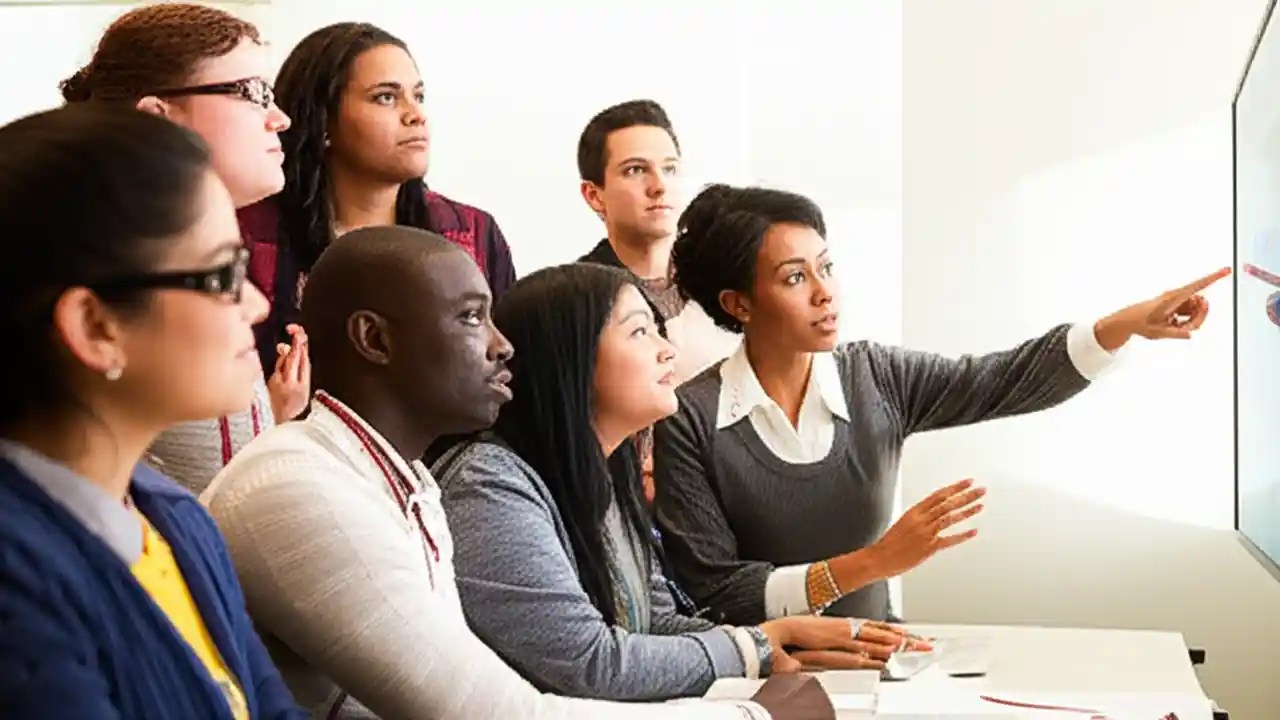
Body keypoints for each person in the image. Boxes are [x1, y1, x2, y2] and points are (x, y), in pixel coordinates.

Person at [201, 227, 834, 720]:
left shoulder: (403, 482)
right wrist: (748, 704)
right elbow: (496, 712)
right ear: (376, 340)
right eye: (472, 318)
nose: (503, 346)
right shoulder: (301, 485)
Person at [654, 183, 1229, 626]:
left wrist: (1125, 325)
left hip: (882, 667)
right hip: (762, 684)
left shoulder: (876, 376)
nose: (825, 291)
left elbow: (1002, 379)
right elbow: (717, 592)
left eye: (826, 267)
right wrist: (874, 563)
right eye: (795, 277)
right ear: (740, 304)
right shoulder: (688, 418)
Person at [434, 262, 924, 702]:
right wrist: (754, 646)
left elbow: (655, 623)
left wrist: (781, 641)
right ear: (571, 360)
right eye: (640, 332)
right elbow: (590, 664)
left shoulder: (606, 480)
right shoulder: (489, 486)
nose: (668, 352)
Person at [0, 104, 304, 720]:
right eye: (224, 273)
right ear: (95, 325)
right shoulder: (18, 587)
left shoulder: (175, 518)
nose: (254, 301)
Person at [59, 2, 310, 494]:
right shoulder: (118, 267)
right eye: (254, 94)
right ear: (160, 119)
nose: (279, 118)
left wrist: (268, 424)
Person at [240, 21, 517, 380]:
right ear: (322, 120)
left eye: (418, 95)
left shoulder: (471, 231)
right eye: (385, 97)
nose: (416, 114)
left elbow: (510, 366)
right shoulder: (250, 234)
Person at [576, 99, 738, 506]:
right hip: (627, 506)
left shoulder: (724, 284)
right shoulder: (579, 298)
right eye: (635, 170)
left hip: (734, 499)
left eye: (669, 168)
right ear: (595, 196)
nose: (658, 186)